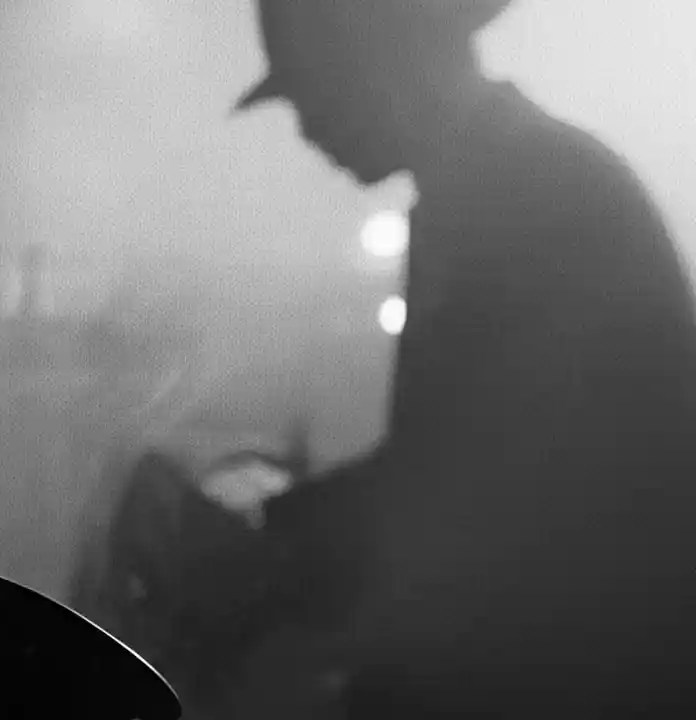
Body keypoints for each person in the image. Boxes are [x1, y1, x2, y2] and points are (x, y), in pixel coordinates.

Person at [232, 0, 696, 716]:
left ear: (385, 61)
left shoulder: (534, 198)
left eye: (315, 85)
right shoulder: (505, 186)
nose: (309, 127)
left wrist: (268, 545)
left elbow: (485, 493)